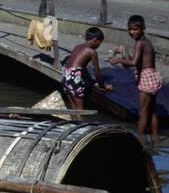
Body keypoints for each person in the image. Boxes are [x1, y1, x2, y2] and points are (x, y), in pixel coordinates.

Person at [109, 15, 162, 145]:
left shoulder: (140, 43)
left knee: (142, 112)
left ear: (143, 29)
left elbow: (132, 63)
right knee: (151, 111)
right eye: (129, 29)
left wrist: (118, 59)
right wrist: (123, 51)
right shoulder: (145, 41)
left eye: (135, 29)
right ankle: (155, 140)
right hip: (153, 75)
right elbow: (136, 61)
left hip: (146, 76)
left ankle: (139, 142)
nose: (132, 32)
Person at [62, 27, 112, 110]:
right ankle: (81, 122)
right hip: (74, 80)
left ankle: (73, 122)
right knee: (80, 110)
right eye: (100, 43)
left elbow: (81, 69)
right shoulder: (91, 52)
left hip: (65, 77)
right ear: (95, 40)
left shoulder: (77, 47)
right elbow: (97, 71)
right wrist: (102, 86)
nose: (99, 45)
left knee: (73, 108)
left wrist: (92, 82)